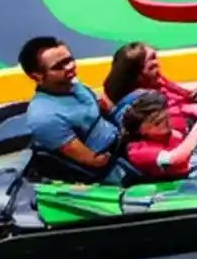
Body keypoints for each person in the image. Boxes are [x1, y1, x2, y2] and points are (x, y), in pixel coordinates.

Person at [18, 36, 123, 181]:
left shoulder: (71, 82)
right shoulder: (44, 117)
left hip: (119, 139)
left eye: (69, 60)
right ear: (37, 76)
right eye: (58, 66)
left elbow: (103, 105)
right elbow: (94, 161)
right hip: (109, 167)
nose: (69, 68)